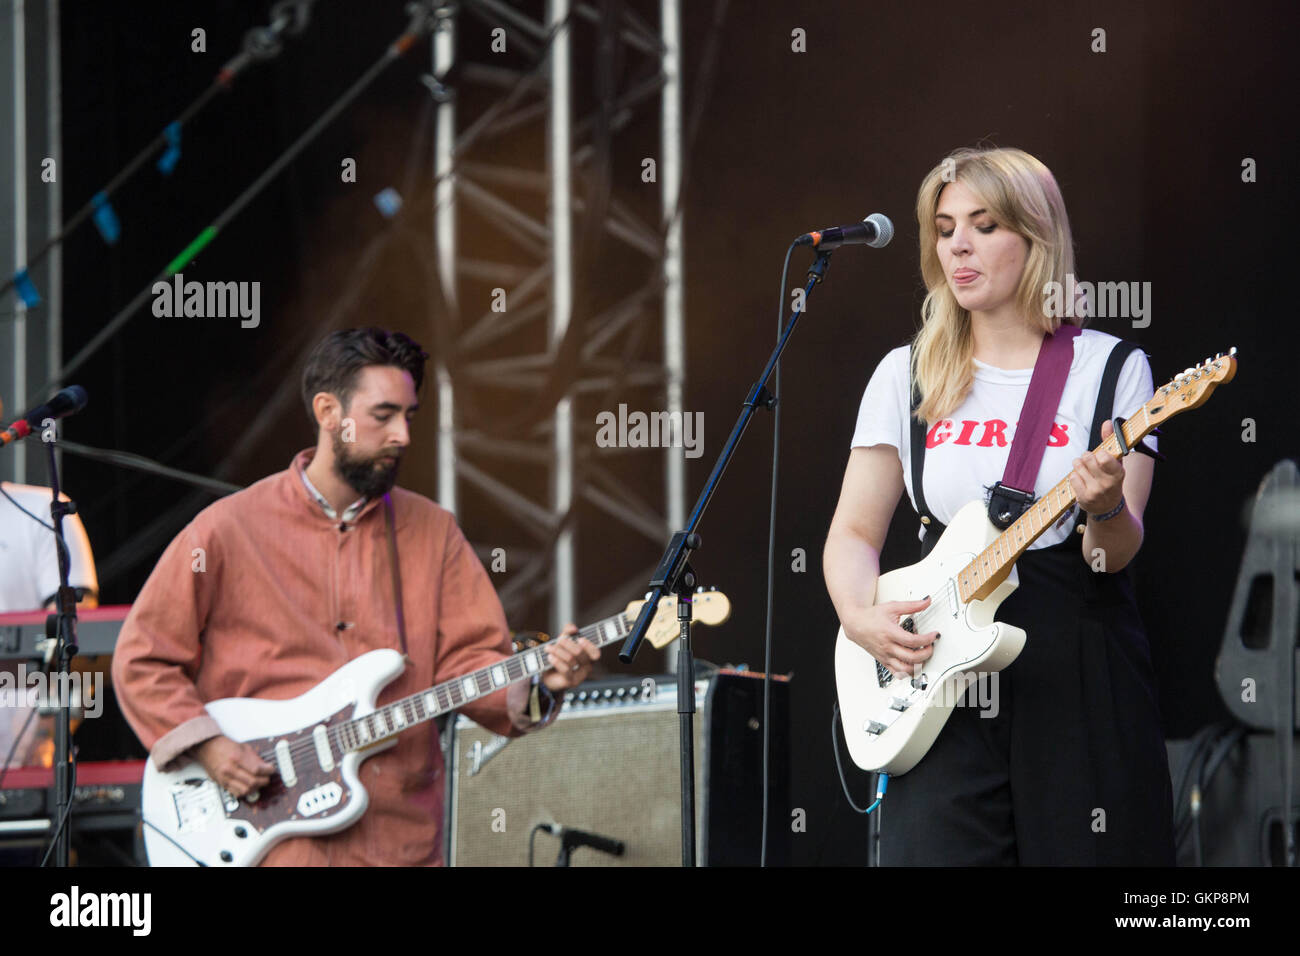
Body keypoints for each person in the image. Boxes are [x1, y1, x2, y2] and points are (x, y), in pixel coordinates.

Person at [111, 328, 600, 866]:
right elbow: (144, 658)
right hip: (273, 844)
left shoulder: (433, 532)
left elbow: (471, 664)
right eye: (383, 415)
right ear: (327, 411)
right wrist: (210, 745)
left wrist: (539, 686)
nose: (402, 436)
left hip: (398, 842)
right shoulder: (226, 529)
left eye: (409, 416)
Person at [823, 147, 1175, 865]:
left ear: (1036, 237)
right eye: (945, 227)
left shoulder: (1111, 369)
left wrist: (1105, 508)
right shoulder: (907, 370)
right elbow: (854, 533)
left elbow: (1110, 555)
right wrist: (860, 617)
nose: (958, 244)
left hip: (1075, 656)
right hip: (940, 670)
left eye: (984, 225)